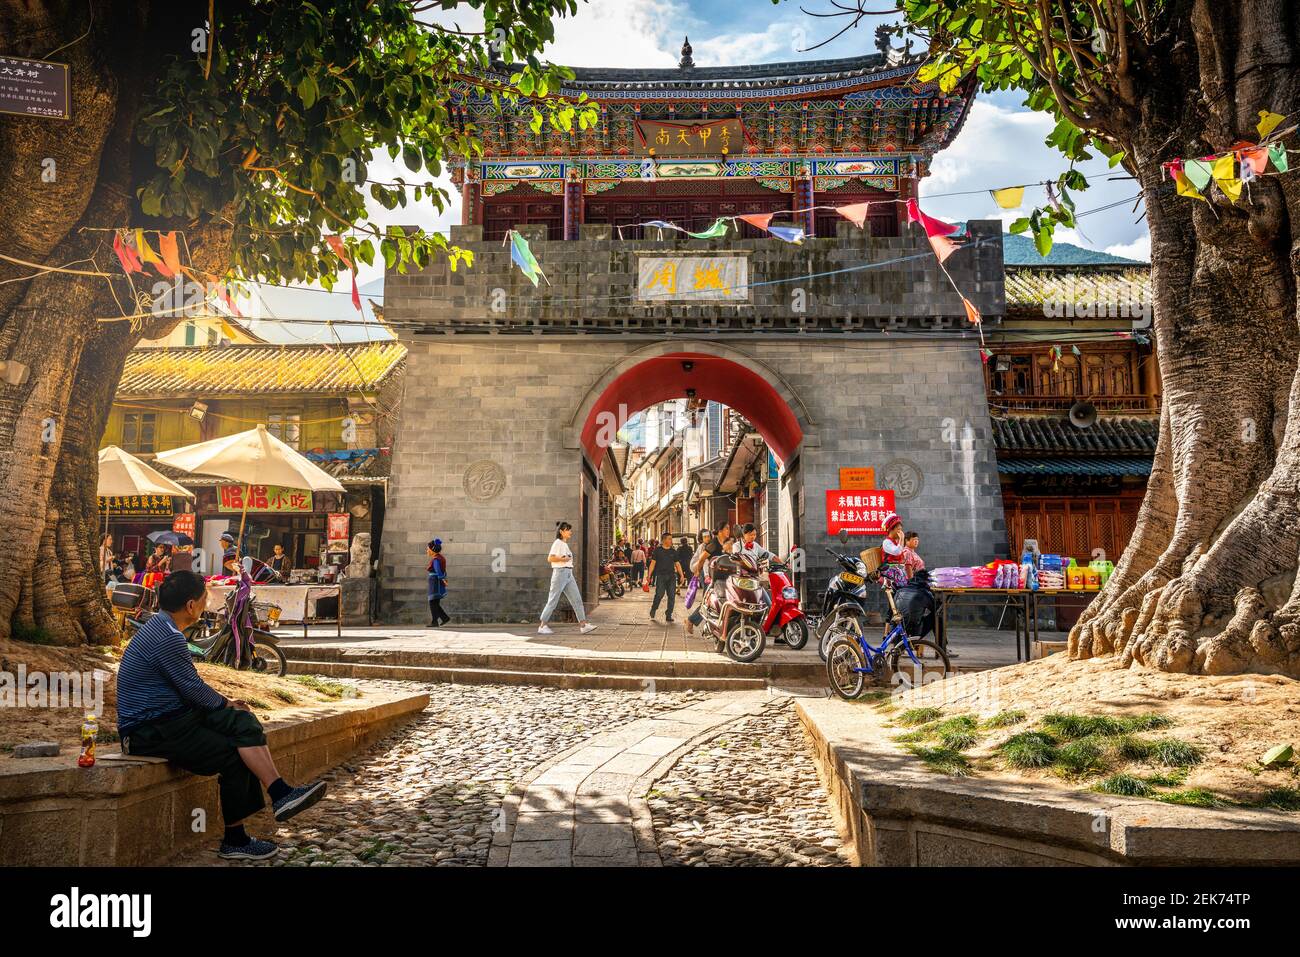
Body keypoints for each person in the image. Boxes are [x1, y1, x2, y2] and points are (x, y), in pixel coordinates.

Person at [116, 571, 327, 860]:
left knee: (242, 720)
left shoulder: (162, 627)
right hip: (149, 730)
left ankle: (280, 794)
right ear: (191, 605)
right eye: (204, 599)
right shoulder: (167, 637)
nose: (207, 603)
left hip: (173, 718)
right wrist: (227, 704)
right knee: (232, 754)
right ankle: (237, 838)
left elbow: (191, 689)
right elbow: (192, 689)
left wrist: (229, 706)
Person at [539, 521, 597, 635]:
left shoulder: (564, 544)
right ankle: (542, 625)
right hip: (560, 573)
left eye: (570, 530)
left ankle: (583, 625)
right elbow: (550, 558)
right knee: (553, 600)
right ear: (561, 531)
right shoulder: (558, 543)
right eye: (568, 530)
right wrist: (563, 559)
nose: (570, 532)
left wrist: (565, 559)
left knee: (577, 600)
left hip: (568, 574)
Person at [686, 521, 733, 634]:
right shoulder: (713, 544)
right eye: (727, 528)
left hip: (726, 576)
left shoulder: (728, 542)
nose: (729, 531)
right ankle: (692, 620)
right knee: (708, 601)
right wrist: (697, 572)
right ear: (720, 530)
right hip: (710, 576)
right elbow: (702, 559)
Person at [646, 532, 685, 624]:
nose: (671, 541)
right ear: (664, 540)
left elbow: (677, 564)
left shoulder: (673, 551)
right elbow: (653, 563)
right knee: (659, 594)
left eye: (671, 539)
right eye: (669, 539)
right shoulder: (657, 551)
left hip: (671, 576)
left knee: (672, 596)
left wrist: (682, 575)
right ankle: (654, 608)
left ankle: (669, 614)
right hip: (661, 576)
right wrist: (649, 575)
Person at [880, 512, 909, 588]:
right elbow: (897, 552)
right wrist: (902, 539)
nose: (901, 532)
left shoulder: (896, 542)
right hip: (889, 570)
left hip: (897, 569)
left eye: (901, 529)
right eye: (898, 529)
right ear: (891, 530)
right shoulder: (886, 542)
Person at [427, 538, 450, 627]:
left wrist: (443, 579)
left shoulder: (436, 559)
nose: (427, 551)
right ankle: (444, 618)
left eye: (428, 549)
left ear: (432, 550)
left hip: (435, 582)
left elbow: (438, 571)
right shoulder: (440, 558)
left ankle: (435, 621)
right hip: (436, 581)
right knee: (435, 602)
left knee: (432, 602)